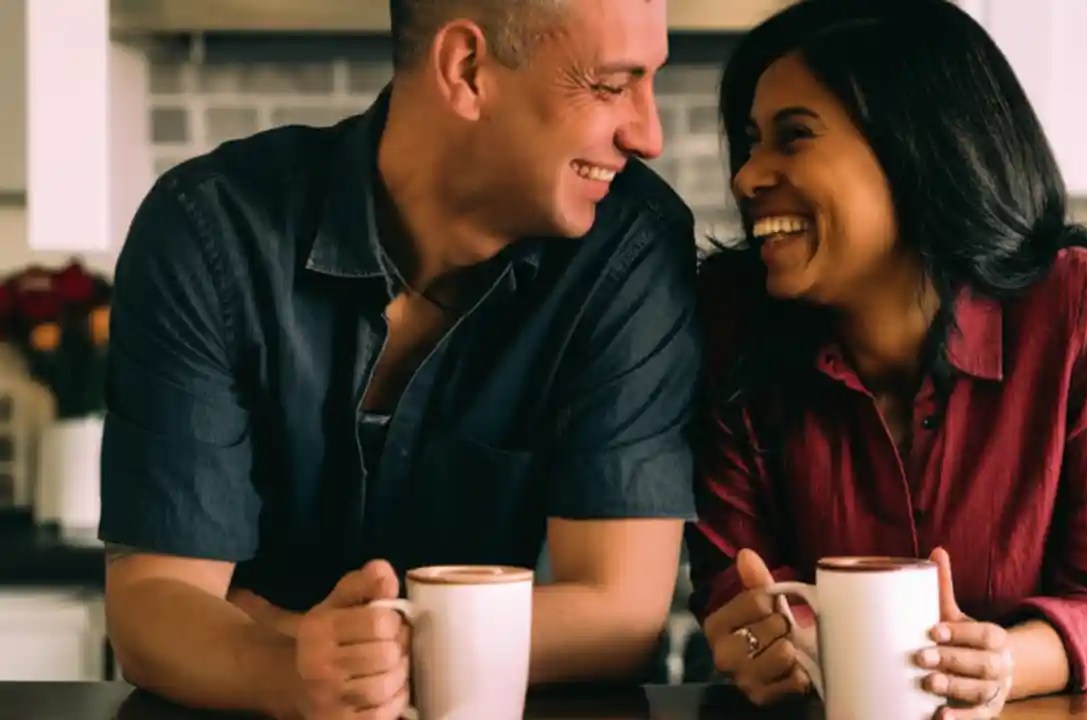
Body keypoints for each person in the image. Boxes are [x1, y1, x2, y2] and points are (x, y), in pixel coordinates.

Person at [100, 1, 701, 717]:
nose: (650, 133)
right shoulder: (209, 230)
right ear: (467, 70)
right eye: (610, 86)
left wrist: (303, 640)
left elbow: (620, 618)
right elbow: (151, 610)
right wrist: (291, 675)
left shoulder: (631, 248)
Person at [685, 0, 1087, 716]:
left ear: (920, 147)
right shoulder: (728, 326)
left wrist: (1003, 662)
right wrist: (759, 643)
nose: (746, 178)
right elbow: (735, 581)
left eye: (793, 137)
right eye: (750, 141)